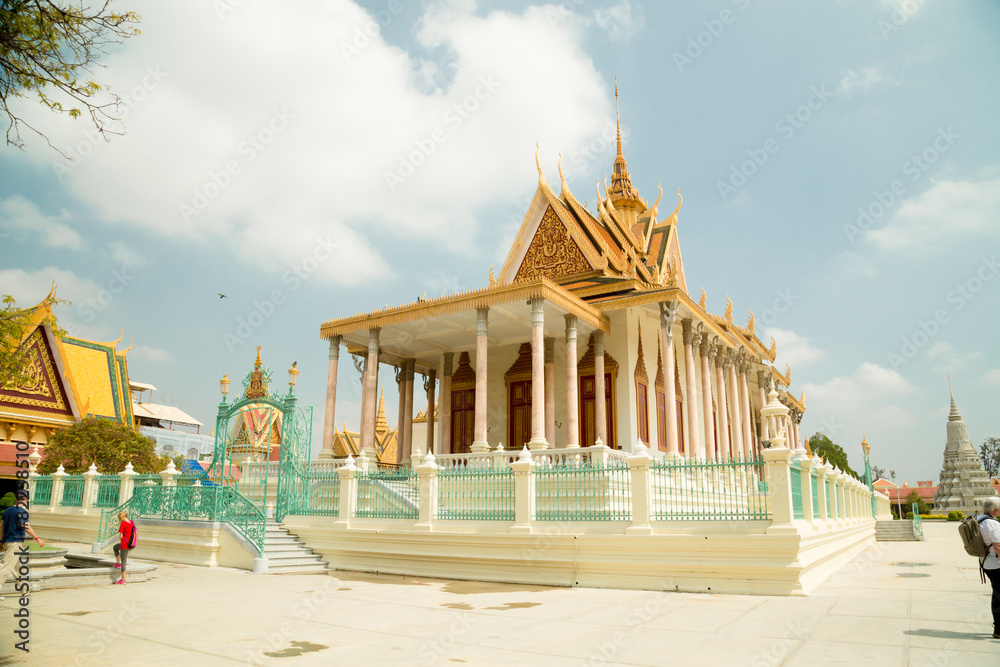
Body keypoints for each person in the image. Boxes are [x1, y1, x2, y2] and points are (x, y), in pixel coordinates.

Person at [0, 490, 45, 601]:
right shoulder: (21, 511)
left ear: (16, 498)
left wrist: (1, 541)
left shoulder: (7, 511)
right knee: (5, 566)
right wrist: (37, 538)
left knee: (17, 567)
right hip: (14, 543)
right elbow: (26, 527)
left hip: (9, 542)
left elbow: (1, 526)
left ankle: (25, 589)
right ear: (26, 499)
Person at [980, 497, 1000, 640]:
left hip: (986, 563)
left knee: (997, 594)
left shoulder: (979, 519)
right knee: (998, 596)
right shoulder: (992, 524)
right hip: (996, 564)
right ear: (995, 510)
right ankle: (998, 627)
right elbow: (998, 545)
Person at [113, 510, 136, 585]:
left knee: (124, 562)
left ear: (121, 518)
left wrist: (121, 542)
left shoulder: (123, 523)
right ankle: (117, 563)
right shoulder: (131, 522)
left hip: (125, 545)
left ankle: (123, 580)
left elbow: (121, 536)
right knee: (115, 547)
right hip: (131, 544)